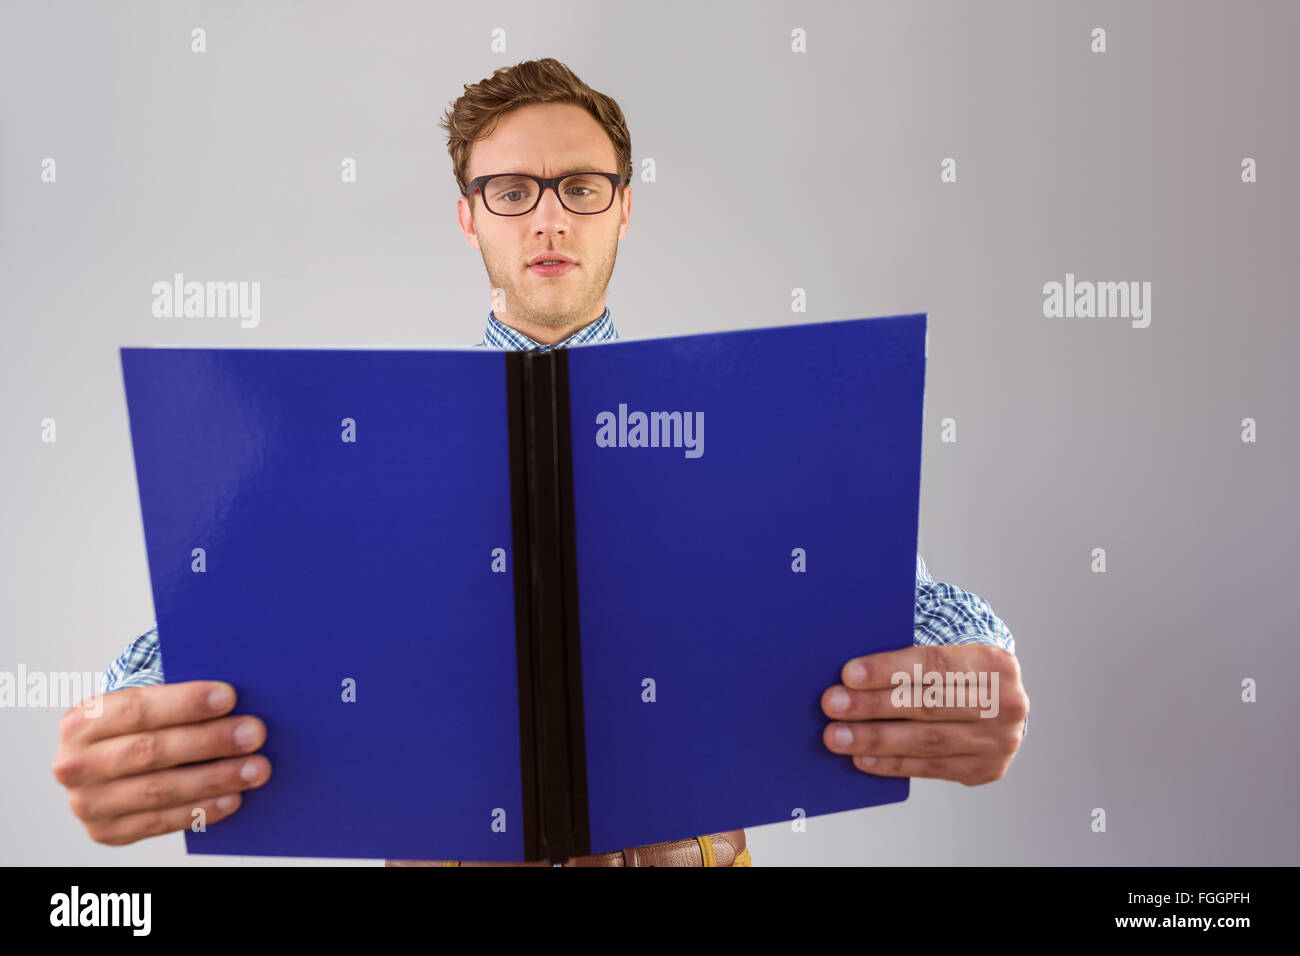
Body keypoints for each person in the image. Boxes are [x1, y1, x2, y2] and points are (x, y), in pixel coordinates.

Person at [53, 58, 1028, 868]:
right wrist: (124, 725)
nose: (549, 219)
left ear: (623, 209)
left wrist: (982, 670)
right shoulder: (353, 449)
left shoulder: (745, 427)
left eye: (580, 187)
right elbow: (188, 646)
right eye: (512, 191)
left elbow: (923, 608)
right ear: (469, 216)